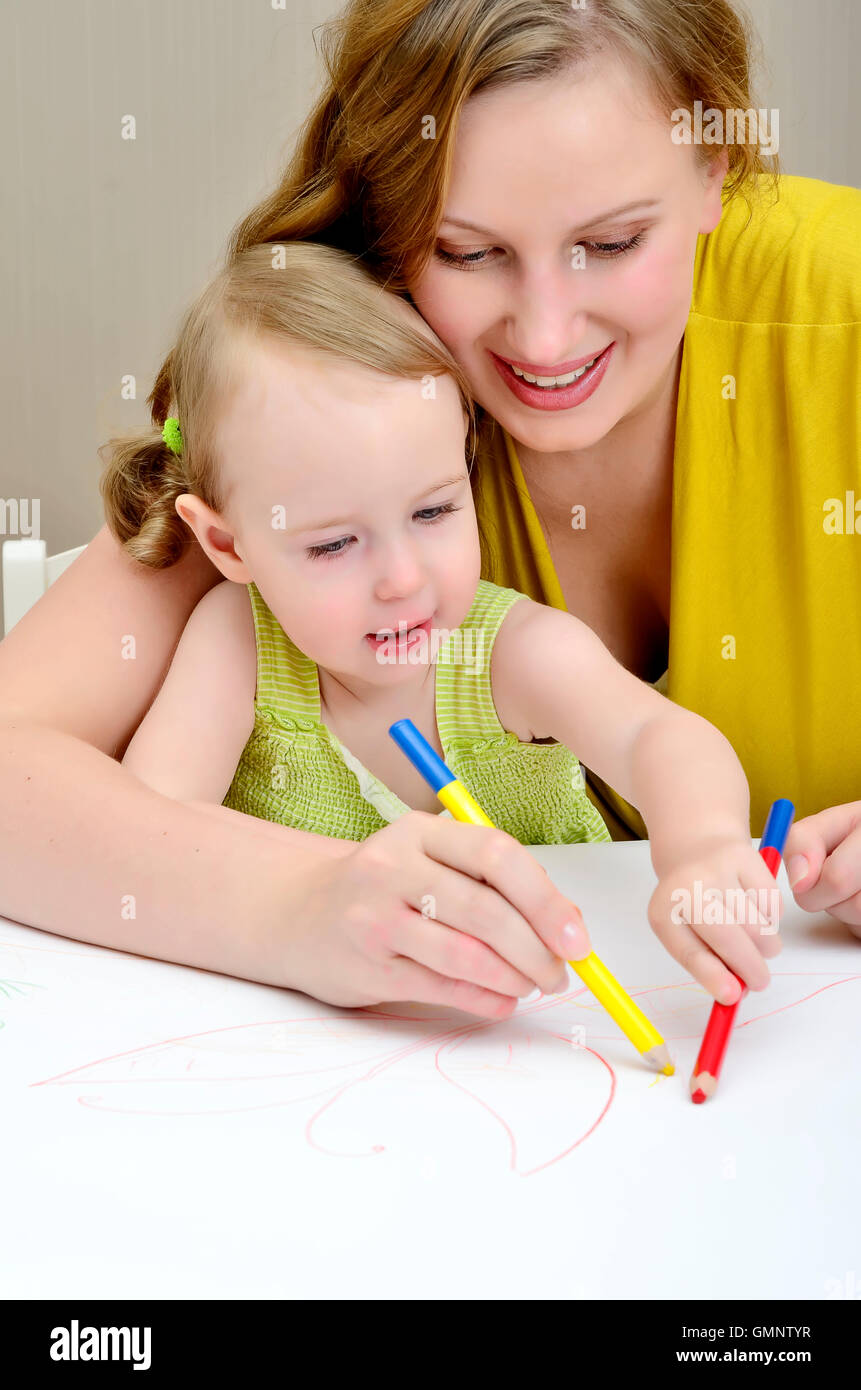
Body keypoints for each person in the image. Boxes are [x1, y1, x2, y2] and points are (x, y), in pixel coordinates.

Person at [1, 0, 858, 1020]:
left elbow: (663, 750)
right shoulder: (330, 378)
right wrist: (294, 904)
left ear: (718, 170)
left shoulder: (835, 314)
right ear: (394, 227)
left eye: (615, 240)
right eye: (466, 251)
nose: (544, 339)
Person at [101, 240, 783, 1012]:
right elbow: (148, 831)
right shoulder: (236, 645)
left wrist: (700, 848)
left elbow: (659, 739)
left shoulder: (510, 655)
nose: (403, 579)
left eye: (432, 511)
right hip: (320, 1050)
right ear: (226, 543)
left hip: (550, 1022)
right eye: (332, 543)